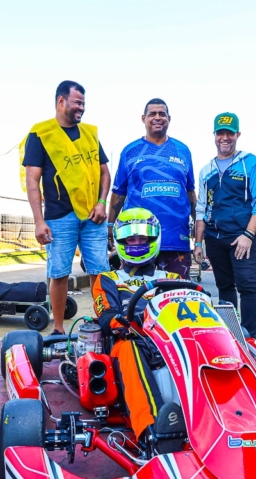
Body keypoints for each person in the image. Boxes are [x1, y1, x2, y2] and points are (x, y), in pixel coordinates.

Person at [91, 208, 183, 450]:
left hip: (173, 340)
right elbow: (107, 317)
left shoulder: (172, 277)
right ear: (121, 241)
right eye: (131, 239)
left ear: (153, 239)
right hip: (130, 339)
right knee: (130, 348)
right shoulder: (108, 278)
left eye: (143, 238)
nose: (137, 243)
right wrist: (127, 322)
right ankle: (153, 429)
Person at [23, 80, 111, 334]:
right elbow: (33, 181)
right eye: (77, 102)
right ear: (61, 101)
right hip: (60, 216)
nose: (81, 108)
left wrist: (102, 202)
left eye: (83, 103)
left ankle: (104, 324)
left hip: (94, 216)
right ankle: (59, 329)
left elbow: (105, 173)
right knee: (59, 273)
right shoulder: (41, 134)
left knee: (100, 272)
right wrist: (39, 221)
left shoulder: (90, 134)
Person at [193, 112, 256, 338]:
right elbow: (201, 209)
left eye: (229, 133)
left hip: (242, 237)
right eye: (220, 133)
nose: (224, 138)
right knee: (224, 287)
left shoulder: (251, 163)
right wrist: (198, 243)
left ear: (238, 134)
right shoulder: (206, 170)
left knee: (247, 286)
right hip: (215, 239)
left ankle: (249, 338)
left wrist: (248, 234)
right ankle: (230, 335)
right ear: (214, 135)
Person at [111, 99, 195, 278]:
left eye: (162, 114)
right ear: (143, 118)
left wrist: (200, 233)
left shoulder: (183, 151)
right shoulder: (129, 151)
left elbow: (190, 193)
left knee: (176, 299)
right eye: (152, 114)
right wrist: (110, 227)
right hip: (137, 242)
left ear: (169, 118)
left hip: (175, 241)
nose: (158, 117)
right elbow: (118, 195)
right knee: (135, 299)